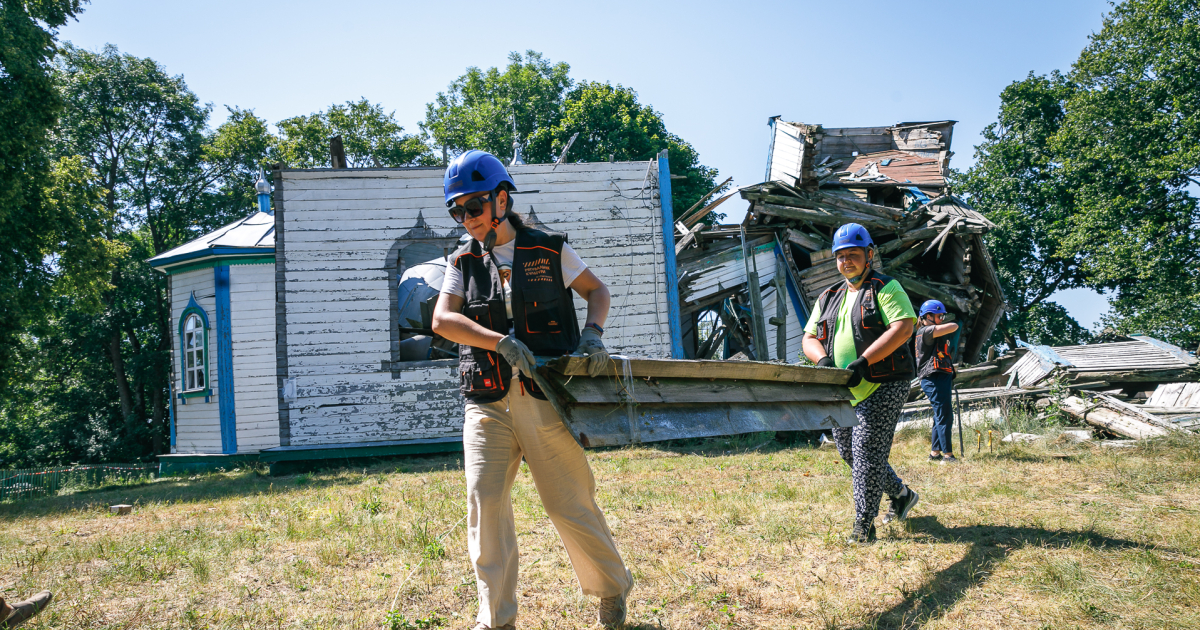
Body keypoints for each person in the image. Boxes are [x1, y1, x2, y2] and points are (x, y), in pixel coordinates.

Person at [431, 150, 633, 629]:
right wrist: (498, 342)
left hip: (545, 395)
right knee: (486, 506)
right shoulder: (462, 260)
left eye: (473, 207)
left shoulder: (548, 248)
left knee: (568, 503)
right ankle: (494, 618)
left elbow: (597, 292)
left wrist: (593, 334)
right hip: (487, 402)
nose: (466, 219)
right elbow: (443, 320)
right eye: (456, 210)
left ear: (501, 199)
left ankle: (611, 590)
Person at [802, 223, 921, 544]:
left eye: (853, 255)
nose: (846, 262)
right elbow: (809, 337)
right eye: (841, 257)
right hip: (844, 387)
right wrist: (823, 361)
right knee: (850, 453)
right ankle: (901, 494)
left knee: (867, 452)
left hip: (883, 381)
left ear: (869, 255)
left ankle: (863, 525)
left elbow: (903, 328)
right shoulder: (828, 296)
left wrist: (864, 361)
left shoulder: (886, 287)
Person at [915, 300, 960, 463]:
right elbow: (954, 326)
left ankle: (935, 453)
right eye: (940, 316)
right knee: (945, 415)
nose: (942, 319)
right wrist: (948, 322)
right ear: (928, 317)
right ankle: (948, 456)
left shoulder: (929, 330)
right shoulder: (926, 331)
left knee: (940, 415)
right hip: (933, 378)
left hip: (940, 377)